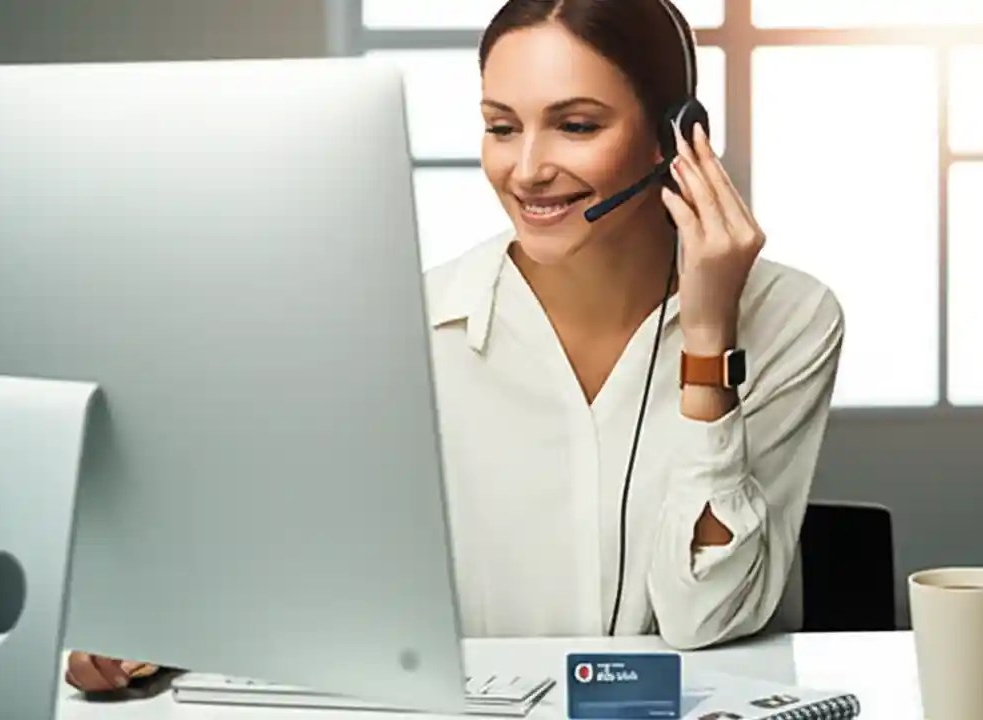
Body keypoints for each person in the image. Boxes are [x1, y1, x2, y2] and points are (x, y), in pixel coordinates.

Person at [65, 0, 844, 693]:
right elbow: (308, 565)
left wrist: (708, 336)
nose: (528, 169)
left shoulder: (790, 318)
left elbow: (706, 617)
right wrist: (158, 626)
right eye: (501, 126)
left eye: (575, 125)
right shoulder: (412, 324)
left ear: (674, 137)